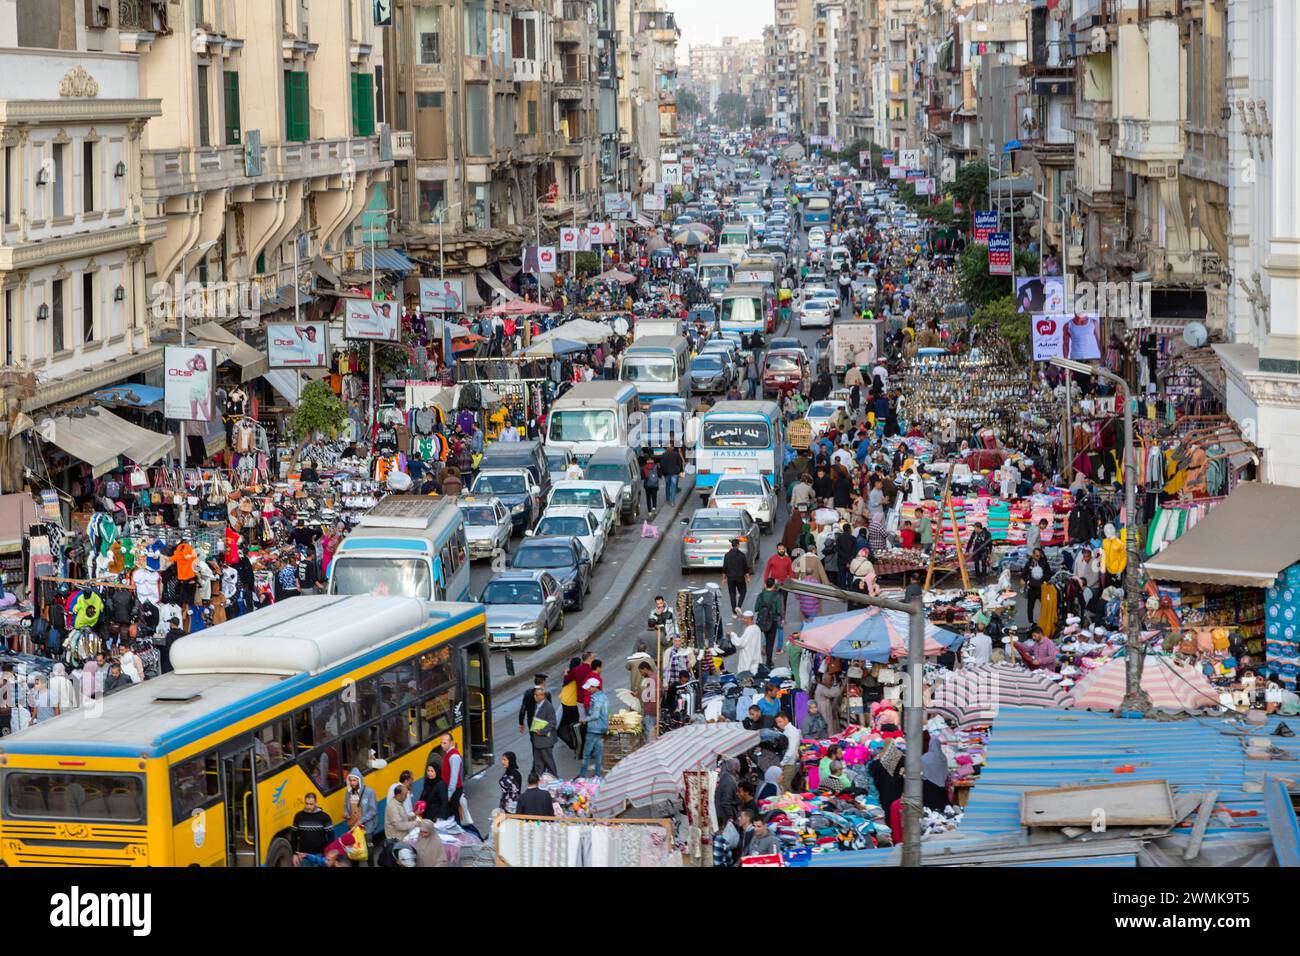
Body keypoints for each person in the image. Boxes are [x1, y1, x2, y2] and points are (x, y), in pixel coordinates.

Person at [342, 768, 379, 864]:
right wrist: (346, 814)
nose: (352, 783)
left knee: (368, 852)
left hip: (366, 828)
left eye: (354, 780)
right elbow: (346, 806)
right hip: (353, 828)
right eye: (350, 780)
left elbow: (373, 811)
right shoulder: (348, 792)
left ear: (359, 780)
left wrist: (361, 821)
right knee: (354, 852)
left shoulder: (369, 792)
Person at [578, 677, 609, 778]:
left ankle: (582, 775)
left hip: (594, 728)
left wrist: (585, 720)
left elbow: (595, 715)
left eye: (589, 688)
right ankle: (597, 775)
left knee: (586, 753)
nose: (588, 690)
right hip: (602, 727)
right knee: (598, 752)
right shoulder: (603, 696)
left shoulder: (595, 698)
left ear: (594, 687)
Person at [529, 685, 559, 777]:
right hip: (537, 740)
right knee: (538, 763)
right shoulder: (537, 705)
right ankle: (540, 780)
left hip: (545, 741)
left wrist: (542, 731)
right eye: (534, 695)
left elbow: (553, 723)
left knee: (548, 762)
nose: (534, 697)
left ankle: (555, 779)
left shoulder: (548, 707)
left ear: (542, 696)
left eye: (536, 695)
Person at [754, 577, 784, 667]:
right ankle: (769, 662)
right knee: (770, 642)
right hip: (772, 621)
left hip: (762, 621)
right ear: (774, 585)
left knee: (766, 639)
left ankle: (763, 660)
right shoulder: (777, 596)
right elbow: (779, 610)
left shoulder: (760, 595)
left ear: (765, 585)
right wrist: (782, 619)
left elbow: (756, 608)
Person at [1022, 547, 1052, 626]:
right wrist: (1027, 581)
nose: (1038, 557)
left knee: (1046, 605)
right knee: (1030, 607)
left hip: (1042, 589)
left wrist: (1045, 580)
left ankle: (1045, 621)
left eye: (1039, 555)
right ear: (1033, 555)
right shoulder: (1029, 563)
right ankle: (1031, 623)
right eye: (1036, 556)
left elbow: (1049, 573)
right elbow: (1023, 574)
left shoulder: (1044, 563)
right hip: (1032, 589)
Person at [722, 538, 752, 616]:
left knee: (732, 594)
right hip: (740, 577)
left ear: (731, 545)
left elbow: (725, 568)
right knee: (743, 591)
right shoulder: (742, 555)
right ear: (738, 545)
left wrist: (724, 578)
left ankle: (734, 612)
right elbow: (745, 567)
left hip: (730, 578)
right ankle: (738, 606)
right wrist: (748, 578)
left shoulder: (727, 555)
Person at [439, 733, 464, 822]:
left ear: (451, 743)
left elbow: (454, 778)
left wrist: (449, 794)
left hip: (454, 791)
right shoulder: (448, 754)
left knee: (454, 816)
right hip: (451, 790)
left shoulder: (454, 756)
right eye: (441, 743)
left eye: (445, 743)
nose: (442, 745)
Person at [775, 713, 801, 792]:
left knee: (784, 787)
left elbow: (791, 750)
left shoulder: (792, 731)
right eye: (777, 723)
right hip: (787, 762)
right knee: (786, 787)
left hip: (789, 763)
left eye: (780, 722)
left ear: (786, 719)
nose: (778, 724)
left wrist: (782, 763)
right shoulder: (787, 731)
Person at [733, 609, 764, 675]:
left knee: (745, 676)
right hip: (755, 657)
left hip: (747, 658)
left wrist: (732, 635)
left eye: (744, 618)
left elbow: (740, 643)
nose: (743, 620)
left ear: (749, 619)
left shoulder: (749, 630)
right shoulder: (757, 628)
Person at [814, 672, 842, 736]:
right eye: (830, 681)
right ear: (824, 680)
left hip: (824, 711)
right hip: (823, 711)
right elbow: (832, 693)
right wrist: (836, 684)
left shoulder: (821, 687)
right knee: (827, 727)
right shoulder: (822, 688)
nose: (831, 683)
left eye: (832, 681)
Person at [638, 661, 658, 741]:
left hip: (650, 710)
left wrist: (639, 695)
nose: (641, 674)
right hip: (655, 710)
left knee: (649, 736)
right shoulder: (656, 677)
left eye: (641, 672)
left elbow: (649, 696)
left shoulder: (651, 679)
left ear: (645, 669)